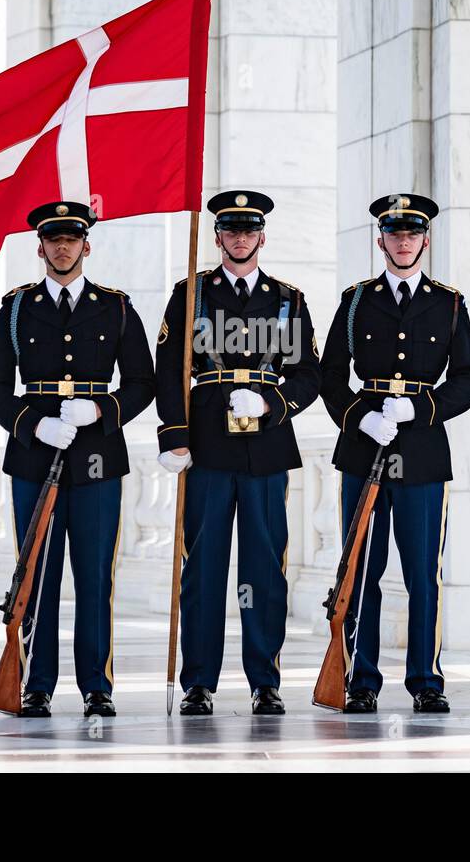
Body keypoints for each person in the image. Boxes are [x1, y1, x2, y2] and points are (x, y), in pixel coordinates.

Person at [0, 199, 155, 717]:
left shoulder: (117, 307)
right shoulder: (15, 308)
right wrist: (34, 423)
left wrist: (101, 409)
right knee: (38, 572)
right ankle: (35, 683)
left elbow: (142, 382)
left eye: (71, 239)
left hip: (98, 457)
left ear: (86, 246)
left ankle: (97, 684)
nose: (62, 247)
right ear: (40, 248)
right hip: (35, 456)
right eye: (54, 240)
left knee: (96, 574)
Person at [155, 190, 322, 716]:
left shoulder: (288, 299)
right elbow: (167, 368)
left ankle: (264, 680)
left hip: (267, 447)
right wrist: (174, 434)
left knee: (264, 568)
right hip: (206, 444)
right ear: (217, 236)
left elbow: (309, 373)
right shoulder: (192, 294)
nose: (241, 238)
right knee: (203, 566)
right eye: (231, 230)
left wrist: (274, 401)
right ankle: (198, 682)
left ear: (262, 237)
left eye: (249, 230)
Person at [318, 193, 470, 714]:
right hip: (365, 445)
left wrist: (422, 408)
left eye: (412, 234)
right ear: (380, 240)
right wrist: (359, 416)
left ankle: (425, 679)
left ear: (426, 241)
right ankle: (361, 678)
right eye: (394, 233)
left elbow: (469, 377)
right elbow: (328, 375)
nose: (404, 241)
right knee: (362, 569)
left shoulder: (449, 302)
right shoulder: (356, 300)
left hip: (423, 449)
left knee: (421, 573)